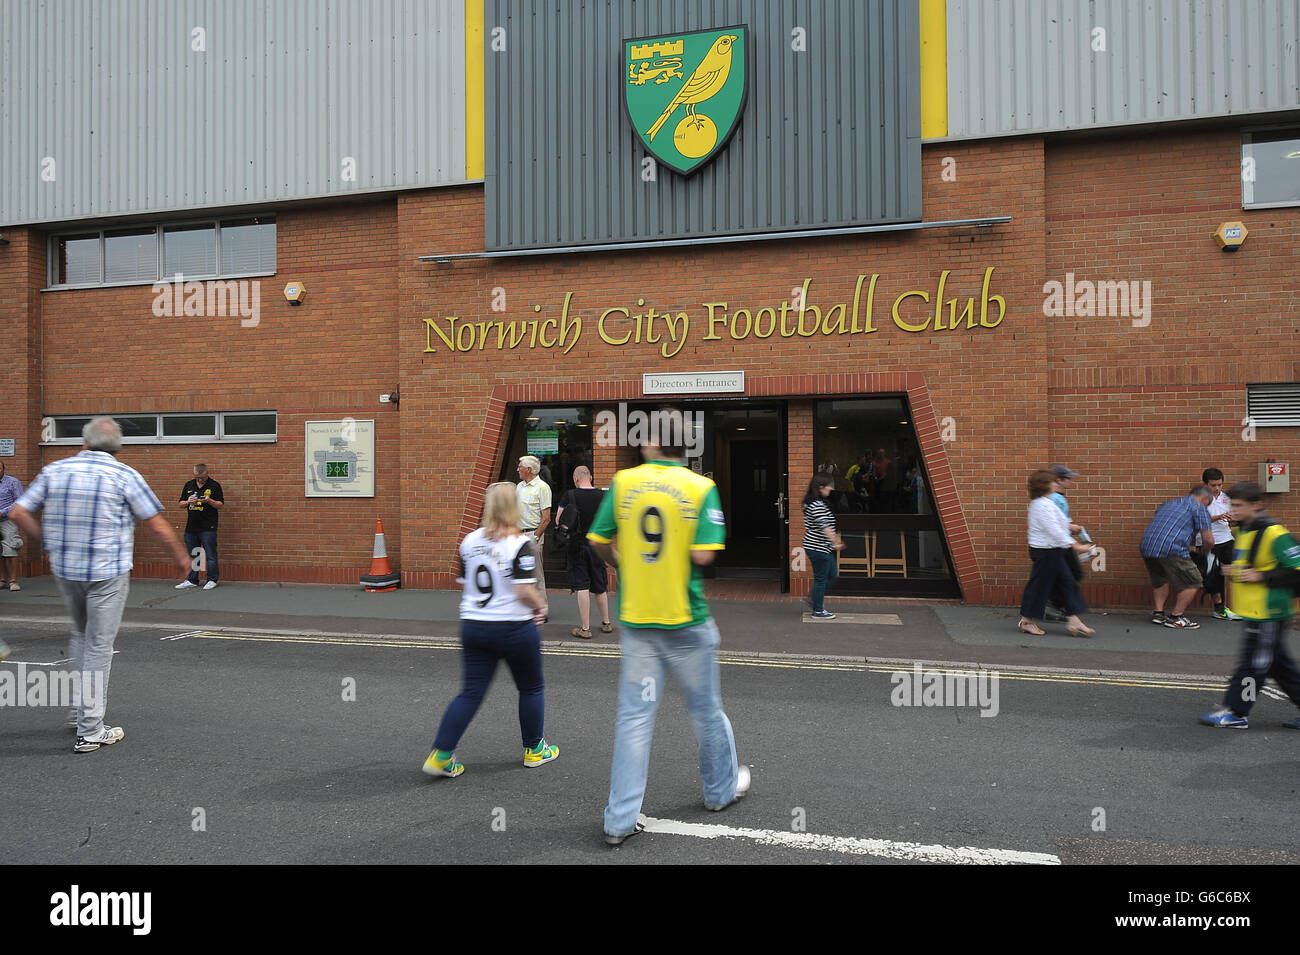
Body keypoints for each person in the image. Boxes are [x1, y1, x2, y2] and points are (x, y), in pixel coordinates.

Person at [588, 406, 749, 845]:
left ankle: (619, 821)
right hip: (687, 621)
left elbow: (597, 539)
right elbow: (703, 555)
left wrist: (622, 561)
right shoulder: (701, 487)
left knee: (635, 719)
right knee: (705, 711)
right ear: (686, 446)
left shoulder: (623, 482)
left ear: (649, 442)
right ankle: (719, 792)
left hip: (638, 621)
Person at [8, 417, 190, 753]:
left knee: (81, 636)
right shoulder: (124, 475)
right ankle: (91, 730)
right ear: (117, 447)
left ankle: (79, 713)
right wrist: (182, 558)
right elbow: (157, 526)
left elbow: (18, 513)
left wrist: (48, 540)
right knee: (99, 645)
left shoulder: (55, 471)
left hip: (66, 570)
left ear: (84, 442)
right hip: (108, 572)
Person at [422, 482, 558, 777]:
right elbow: (524, 590)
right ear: (514, 508)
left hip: (474, 626)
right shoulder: (519, 542)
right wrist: (541, 607)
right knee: (531, 687)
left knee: (470, 693)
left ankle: (441, 755)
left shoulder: (468, 541)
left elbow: (466, 584)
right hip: (513, 627)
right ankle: (535, 749)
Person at [1199, 482, 1300, 729]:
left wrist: (1261, 576)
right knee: (1279, 666)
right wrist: (1234, 571)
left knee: (1253, 664)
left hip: (1270, 613)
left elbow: (1297, 571)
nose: (1233, 510)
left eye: (1238, 506)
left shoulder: (1274, 534)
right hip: (1255, 613)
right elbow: (1251, 567)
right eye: (1231, 505)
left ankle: (1236, 712)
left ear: (1256, 505)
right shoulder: (1244, 531)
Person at [1018, 469, 1095, 637]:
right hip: (1045, 552)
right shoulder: (1042, 505)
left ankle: (1074, 622)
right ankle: (1027, 621)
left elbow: (1057, 524)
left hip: (1051, 551)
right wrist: (1077, 547)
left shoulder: (1045, 502)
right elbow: (1054, 530)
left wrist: (1070, 528)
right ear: (1045, 485)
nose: (1056, 483)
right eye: (1053, 481)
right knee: (1040, 586)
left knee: (1066, 583)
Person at [1140, 485, 1214, 630]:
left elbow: (1170, 527)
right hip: (1171, 548)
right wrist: (1206, 552)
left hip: (1148, 545)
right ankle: (1176, 617)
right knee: (1194, 581)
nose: (1207, 506)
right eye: (1208, 503)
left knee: (1160, 579)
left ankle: (1158, 613)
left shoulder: (1169, 504)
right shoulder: (1199, 508)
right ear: (1205, 498)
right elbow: (1209, 539)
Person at [554, 466, 611, 639]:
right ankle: (606, 622)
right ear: (591, 477)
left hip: (577, 546)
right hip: (597, 546)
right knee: (600, 585)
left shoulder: (570, 496)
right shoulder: (603, 496)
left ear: (576, 478)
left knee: (582, 585)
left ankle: (585, 628)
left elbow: (559, 520)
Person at [1044, 465, 1086, 621]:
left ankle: (1053, 604)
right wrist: (1072, 527)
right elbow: (1052, 522)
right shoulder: (1055, 498)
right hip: (1059, 543)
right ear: (1059, 480)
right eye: (1068, 478)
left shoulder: (1059, 497)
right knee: (1073, 573)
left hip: (1062, 542)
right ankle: (1053, 604)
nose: (1071, 481)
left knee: (1066, 574)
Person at [1197, 467, 1239, 619]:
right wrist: (1218, 516)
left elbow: (1233, 520)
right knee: (1213, 574)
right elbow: (1197, 520)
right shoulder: (1198, 498)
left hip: (1226, 539)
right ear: (1205, 484)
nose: (1216, 488)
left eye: (1219, 485)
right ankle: (1219, 608)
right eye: (1213, 485)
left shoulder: (1226, 498)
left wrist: (1233, 520)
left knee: (1237, 567)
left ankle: (1241, 604)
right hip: (1207, 541)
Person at [175, 464, 224, 590]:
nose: (199, 480)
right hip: (191, 526)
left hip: (208, 526)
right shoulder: (189, 485)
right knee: (194, 554)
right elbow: (180, 504)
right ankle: (192, 579)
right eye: (197, 477)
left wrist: (209, 501)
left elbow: (220, 505)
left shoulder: (214, 485)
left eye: (202, 477)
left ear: (207, 473)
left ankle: (212, 579)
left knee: (210, 555)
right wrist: (188, 501)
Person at [802, 474, 844, 619]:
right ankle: (818, 610)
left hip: (821, 547)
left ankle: (813, 598)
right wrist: (835, 542)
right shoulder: (816, 504)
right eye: (829, 486)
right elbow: (824, 525)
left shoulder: (813, 502)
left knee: (832, 574)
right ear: (820, 487)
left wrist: (833, 540)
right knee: (821, 578)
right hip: (817, 548)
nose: (831, 489)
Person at [515, 455, 552, 619]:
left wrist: (535, 537)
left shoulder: (543, 488)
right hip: (518, 535)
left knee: (536, 575)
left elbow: (546, 518)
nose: (517, 469)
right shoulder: (519, 487)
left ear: (528, 470)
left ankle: (541, 611)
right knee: (520, 574)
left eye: (520, 466)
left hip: (532, 534)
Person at [0, 461, 25, 591]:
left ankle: (13, 581)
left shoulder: (13, 482)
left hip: (7, 520)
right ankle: (3, 580)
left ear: (4, 468)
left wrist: (2, 512)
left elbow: (20, 501)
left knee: (10, 549)